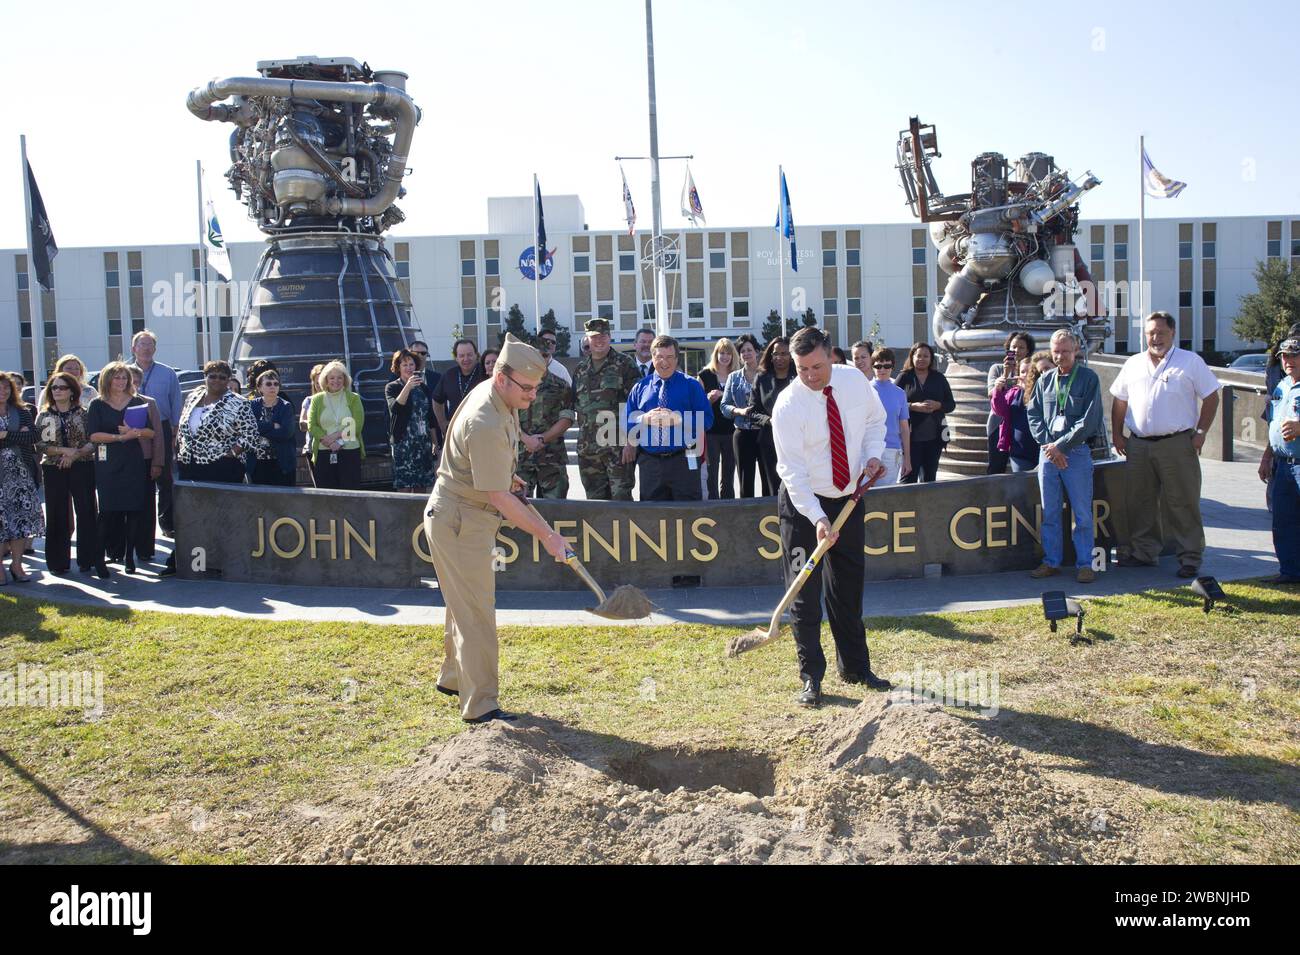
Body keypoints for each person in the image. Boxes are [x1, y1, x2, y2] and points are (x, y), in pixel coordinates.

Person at [423, 333, 570, 723]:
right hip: (460, 519)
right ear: (502, 377)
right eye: (528, 388)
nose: (533, 396)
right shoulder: (485, 418)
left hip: (465, 512)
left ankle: (454, 677)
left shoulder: (503, 397)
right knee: (476, 613)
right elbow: (499, 498)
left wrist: (509, 476)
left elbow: (494, 471)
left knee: (462, 604)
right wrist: (549, 537)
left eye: (536, 388)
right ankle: (481, 706)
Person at [771, 327, 890, 708]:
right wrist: (818, 518)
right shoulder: (788, 406)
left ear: (830, 355)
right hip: (804, 506)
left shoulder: (854, 381)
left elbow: (875, 421)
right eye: (802, 369)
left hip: (849, 499)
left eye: (817, 366)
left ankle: (855, 668)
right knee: (804, 596)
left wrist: (872, 456)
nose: (809, 375)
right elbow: (793, 472)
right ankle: (811, 677)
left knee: (848, 587)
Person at [1110, 311, 1223, 577]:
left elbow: (1211, 397)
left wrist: (1202, 431)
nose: (1156, 337)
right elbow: (1119, 401)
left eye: (1161, 332)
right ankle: (1144, 553)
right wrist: (1117, 434)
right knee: (1140, 502)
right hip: (1138, 444)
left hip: (1177, 444)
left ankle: (1190, 557)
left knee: (1182, 502)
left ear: (1172, 333)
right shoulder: (1134, 363)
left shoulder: (1190, 361)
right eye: (1151, 333)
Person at [1026, 330, 1104, 584]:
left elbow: (1090, 419)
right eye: (1056, 351)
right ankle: (1051, 561)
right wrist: (1050, 446)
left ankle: (1085, 564)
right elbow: (1034, 415)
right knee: (1050, 512)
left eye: (1065, 351)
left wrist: (1062, 445)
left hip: (1077, 453)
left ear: (1076, 350)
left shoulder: (1088, 378)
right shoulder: (1045, 379)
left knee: (1081, 513)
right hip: (1047, 454)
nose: (1060, 356)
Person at [87, 362, 157, 575]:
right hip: (108, 461)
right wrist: (120, 437)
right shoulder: (97, 404)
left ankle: (129, 557)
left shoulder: (137, 402)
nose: (121, 381)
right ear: (107, 379)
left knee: (134, 510)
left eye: (124, 377)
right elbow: (93, 436)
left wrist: (134, 432)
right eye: (116, 377)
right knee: (107, 512)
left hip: (132, 460)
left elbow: (151, 433)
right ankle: (99, 559)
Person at [35, 373, 106, 578]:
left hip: (82, 466)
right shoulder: (44, 415)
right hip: (53, 468)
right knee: (57, 514)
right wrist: (64, 452)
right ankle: (58, 561)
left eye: (62, 387)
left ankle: (88, 559)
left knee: (86, 511)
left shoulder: (83, 413)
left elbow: (92, 441)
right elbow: (40, 445)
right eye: (54, 387)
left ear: (72, 391)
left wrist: (75, 455)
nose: (57, 391)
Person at [626, 335, 712, 501]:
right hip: (650, 464)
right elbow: (627, 421)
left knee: (687, 516)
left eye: (669, 357)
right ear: (652, 358)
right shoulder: (640, 387)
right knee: (652, 518)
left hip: (684, 460)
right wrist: (644, 419)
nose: (664, 362)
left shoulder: (691, 385)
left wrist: (678, 420)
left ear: (676, 358)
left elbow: (707, 420)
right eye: (659, 357)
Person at [573, 317, 640, 500]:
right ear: (587, 339)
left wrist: (631, 443)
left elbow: (636, 406)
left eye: (603, 335)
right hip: (588, 449)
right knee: (595, 503)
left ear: (610, 337)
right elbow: (578, 408)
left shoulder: (625, 364)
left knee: (621, 499)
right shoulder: (580, 370)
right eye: (594, 337)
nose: (599, 340)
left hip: (617, 448)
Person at [131, 329, 182, 538]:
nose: (146, 348)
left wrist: (175, 428)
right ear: (134, 348)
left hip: (162, 426)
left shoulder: (167, 372)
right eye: (142, 344)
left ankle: (167, 523)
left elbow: (176, 400)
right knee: (138, 477)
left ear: (155, 349)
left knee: (164, 477)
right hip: (132, 426)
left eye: (150, 345)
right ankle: (138, 526)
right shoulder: (123, 372)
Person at [1258, 337, 1300, 583]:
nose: (1288, 360)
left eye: (1294, 355)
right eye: (1284, 356)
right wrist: (1266, 457)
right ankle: (1290, 572)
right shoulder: (1283, 386)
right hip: (1283, 464)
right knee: (1283, 521)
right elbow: (1274, 425)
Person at [176, 360, 260, 483]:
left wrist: (231, 453)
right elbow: (182, 427)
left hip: (223, 466)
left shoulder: (239, 402)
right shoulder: (193, 397)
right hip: (189, 464)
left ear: (228, 380)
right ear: (205, 377)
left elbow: (251, 435)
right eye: (212, 376)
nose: (217, 380)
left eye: (222, 377)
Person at [0, 371, 44, 583]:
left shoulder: (22, 411)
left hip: (21, 475)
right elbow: (24, 437)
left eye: (7, 387)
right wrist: (19, 435)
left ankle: (17, 566)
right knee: (1, 524)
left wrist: (7, 434)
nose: (3, 391)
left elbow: (34, 436)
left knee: (20, 522)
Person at [516, 354, 575, 499]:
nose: (539, 359)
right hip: (521, 459)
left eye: (543, 355)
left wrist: (542, 438)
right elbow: (507, 418)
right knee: (520, 510)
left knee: (555, 514)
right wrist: (525, 439)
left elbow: (567, 418)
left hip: (552, 459)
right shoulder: (516, 385)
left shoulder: (561, 385)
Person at [895, 342, 956, 484]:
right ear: (912, 357)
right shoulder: (904, 377)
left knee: (930, 478)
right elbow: (893, 403)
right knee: (908, 478)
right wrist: (911, 406)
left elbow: (951, 404)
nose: (922, 359)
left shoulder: (939, 378)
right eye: (919, 355)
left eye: (926, 356)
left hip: (934, 438)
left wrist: (938, 405)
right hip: (910, 438)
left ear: (931, 359)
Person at [746, 336, 796, 495]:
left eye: (784, 353)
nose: (779, 357)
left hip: (797, 440)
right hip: (769, 441)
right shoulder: (762, 377)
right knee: (773, 487)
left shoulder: (800, 376)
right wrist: (770, 421)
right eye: (775, 354)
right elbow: (752, 411)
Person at [125, 365, 165, 562]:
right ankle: (119, 549)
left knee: (146, 506)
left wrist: (157, 463)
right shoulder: (108, 403)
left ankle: (145, 549)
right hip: (120, 463)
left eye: (134, 380)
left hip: (145, 459)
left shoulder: (149, 403)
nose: (129, 384)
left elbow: (158, 435)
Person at [307, 360, 365, 490]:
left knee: (350, 492)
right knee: (327, 494)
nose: (336, 381)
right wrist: (328, 441)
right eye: (332, 378)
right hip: (324, 451)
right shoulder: (317, 399)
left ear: (345, 379)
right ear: (325, 380)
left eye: (340, 377)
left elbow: (357, 424)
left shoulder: (354, 398)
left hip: (349, 451)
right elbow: (312, 425)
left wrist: (337, 439)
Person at [385, 349, 436, 494]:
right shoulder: (392, 387)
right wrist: (407, 386)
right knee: (405, 486)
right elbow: (395, 408)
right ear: (398, 368)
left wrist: (435, 443)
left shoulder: (424, 388)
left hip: (422, 442)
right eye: (404, 365)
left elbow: (430, 417)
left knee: (421, 485)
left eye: (411, 364)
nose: (409, 368)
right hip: (403, 443)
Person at [721, 334, 766, 497]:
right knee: (745, 482)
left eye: (749, 350)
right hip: (742, 433)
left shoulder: (766, 375)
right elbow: (724, 406)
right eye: (742, 351)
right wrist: (739, 411)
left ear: (757, 351)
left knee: (768, 479)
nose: (746, 353)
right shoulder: (733, 377)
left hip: (764, 433)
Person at [991, 353, 1051, 473]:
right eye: (1023, 371)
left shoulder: (1044, 391)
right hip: (1019, 452)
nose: (1026, 375)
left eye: (1030, 371)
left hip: (1043, 449)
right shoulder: (1014, 393)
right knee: (1024, 486)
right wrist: (997, 390)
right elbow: (999, 409)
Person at [986, 332, 1037, 475]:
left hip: (1021, 425)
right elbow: (991, 394)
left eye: (1021, 347)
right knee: (997, 465)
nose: (1016, 351)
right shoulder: (997, 368)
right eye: (1013, 347)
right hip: (999, 423)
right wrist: (1006, 373)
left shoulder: (1031, 369)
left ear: (1028, 350)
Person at [697, 338, 738, 499]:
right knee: (711, 472)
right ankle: (713, 506)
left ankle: (729, 505)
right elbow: (697, 405)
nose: (725, 356)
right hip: (711, 432)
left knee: (729, 473)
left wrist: (725, 396)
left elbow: (744, 402)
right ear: (716, 354)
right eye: (722, 353)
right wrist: (708, 399)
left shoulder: (736, 375)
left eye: (728, 353)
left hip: (731, 431)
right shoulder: (704, 375)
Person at [248, 368, 298, 486]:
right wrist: (272, 425)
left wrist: (260, 430)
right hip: (257, 464)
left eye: (276, 384)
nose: (273, 387)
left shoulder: (286, 406)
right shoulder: (251, 405)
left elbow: (286, 433)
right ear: (259, 388)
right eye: (268, 384)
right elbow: (248, 428)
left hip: (282, 463)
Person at [868, 347, 911, 485]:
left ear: (892, 367)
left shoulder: (900, 393)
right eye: (878, 366)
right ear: (873, 366)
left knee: (885, 497)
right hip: (868, 449)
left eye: (887, 366)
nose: (882, 369)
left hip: (892, 451)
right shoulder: (865, 389)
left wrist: (907, 458)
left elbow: (904, 428)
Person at [431, 338, 483, 445]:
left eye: (469, 355)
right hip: (455, 432)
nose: (466, 359)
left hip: (481, 430)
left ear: (476, 355)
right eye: (462, 356)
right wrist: (442, 423)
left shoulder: (484, 373)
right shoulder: (449, 375)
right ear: (456, 358)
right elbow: (436, 400)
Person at [299, 363, 325, 484]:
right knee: (319, 486)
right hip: (313, 449)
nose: (319, 385)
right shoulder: (308, 401)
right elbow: (302, 425)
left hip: (334, 448)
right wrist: (315, 424)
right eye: (316, 382)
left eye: (321, 380)